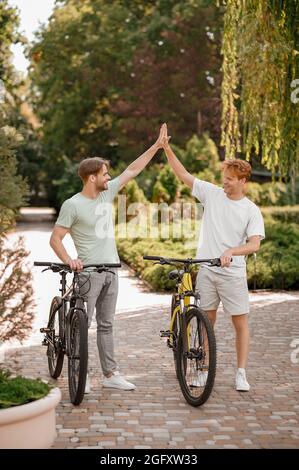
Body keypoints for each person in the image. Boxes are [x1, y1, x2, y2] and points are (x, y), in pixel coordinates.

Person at [49, 124, 168, 393]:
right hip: (88, 273)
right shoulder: (73, 205)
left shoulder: (107, 193)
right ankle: (81, 376)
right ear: (91, 177)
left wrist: (156, 146)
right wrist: (70, 260)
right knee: (83, 325)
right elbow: (55, 239)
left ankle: (110, 374)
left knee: (106, 324)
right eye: (104, 173)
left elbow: (133, 170)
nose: (109, 176)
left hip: (112, 270)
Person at [161, 124, 265, 391]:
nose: (225, 181)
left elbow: (254, 245)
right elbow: (183, 174)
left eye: (230, 178)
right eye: (225, 176)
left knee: (240, 323)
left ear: (243, 181)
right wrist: (166, 148)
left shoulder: (250, 210)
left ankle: (241, 373)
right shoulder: (212, 194)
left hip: (232, 274)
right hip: (207, 270)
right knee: (205, 321)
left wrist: (232, 251)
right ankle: (203, 369)